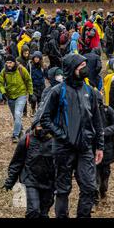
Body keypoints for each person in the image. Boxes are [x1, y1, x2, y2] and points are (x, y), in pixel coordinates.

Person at [40, 53, 104, 218]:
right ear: (71, 69)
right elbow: (44, 119)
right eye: (80, 66)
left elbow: (97, 121)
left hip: (85, 148)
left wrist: (100, 146)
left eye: (85, 65)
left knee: (89, 188)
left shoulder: (90, 91)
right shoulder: (56, 91)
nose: (85, 69)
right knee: (63, 190)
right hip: (63, 148)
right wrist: (62, 135)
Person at [3, 120, 55, 218]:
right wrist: (10, 180)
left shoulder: (55, 141)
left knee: (44, 213)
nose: (41, 129)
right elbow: (17, 162)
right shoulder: (26, 139)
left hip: (49, 183)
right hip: (30, 180)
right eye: (39, 126)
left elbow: (60, 164)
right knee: (33, 210)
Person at [93, 92, 114, 207]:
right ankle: (94, 197)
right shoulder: (86, 111)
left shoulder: (107, 110)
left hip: (107, 147)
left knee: (105, 172)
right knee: (94, 173)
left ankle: (103, 190)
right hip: (92, 148)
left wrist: (104, 132)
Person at [0, 55, 34, 143]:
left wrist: (31, 93)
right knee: (15, 116)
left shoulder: (21, 69)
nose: (8, 64)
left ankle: (15, 135)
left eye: (10, 62)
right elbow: (0, 82)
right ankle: (21, 130)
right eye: (7, 63)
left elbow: (28, 80)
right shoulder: (4, 71)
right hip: (10, 96)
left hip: (21, 95)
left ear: (14, 62)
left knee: (18, 114)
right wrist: (3, 92)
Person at [27, 51, 46, 116]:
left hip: (41, 86)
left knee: (40, 101)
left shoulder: (43, 66)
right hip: (33, 86)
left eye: (38, 58)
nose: (36, 59)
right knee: (33, 99)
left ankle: (39, 112)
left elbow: (46, 75)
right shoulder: (30, 65)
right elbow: (27, 74)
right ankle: (32, 109)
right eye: (35, 57)